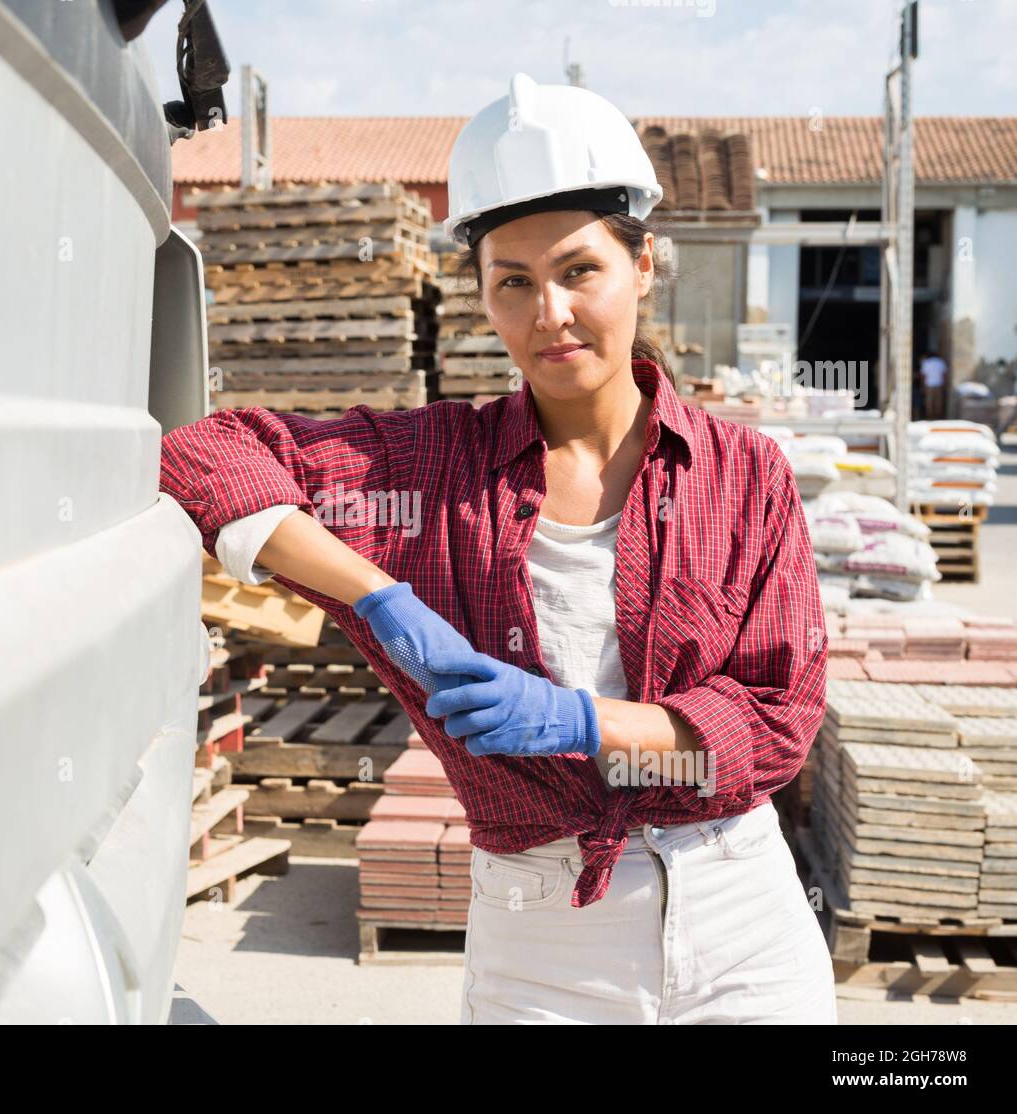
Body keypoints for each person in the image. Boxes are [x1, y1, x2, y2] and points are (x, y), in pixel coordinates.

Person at [160, 72, 834, 1024]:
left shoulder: (741, 473)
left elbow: (776, 721)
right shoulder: (436, 468)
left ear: (642, 265)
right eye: (513, 282)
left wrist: (580, 723)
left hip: (739, 918)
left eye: (578, 270)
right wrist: (379, 595)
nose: (549, 312)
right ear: (480, 295)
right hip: (542, 934)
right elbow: (207, 451)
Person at [920, 350, 948, 420]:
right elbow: (944, 374)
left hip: (929, 384)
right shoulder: (941, 362)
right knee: (938, 401)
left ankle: (929, 416)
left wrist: (922, 385)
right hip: (939, 383)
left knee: (929, 401)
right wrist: (945, 384)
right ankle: (938, 416)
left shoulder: (926, 362)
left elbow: (923, 375)